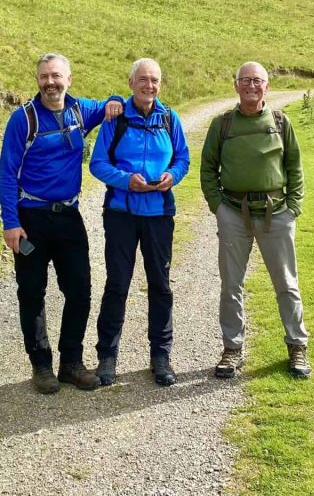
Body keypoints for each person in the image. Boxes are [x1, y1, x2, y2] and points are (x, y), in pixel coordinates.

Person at [0, 53, 121, 394]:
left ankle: (70, 363)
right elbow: (7, 173)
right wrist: (10, 222)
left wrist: (113, 103)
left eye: (56, 76)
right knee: (32, 294)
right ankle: (41, 366)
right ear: (38, 80)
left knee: (80, 290)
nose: (50, 83)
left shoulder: (81, 110)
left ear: (69, 78)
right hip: (30, 218)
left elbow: (114, 101)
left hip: (68, 216)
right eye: (44, 77)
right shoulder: (23, 119)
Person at [199, 61, 311, 379]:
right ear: (236, 85)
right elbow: (208, 169)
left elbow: (295, 167)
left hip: (277, 214)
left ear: (267, 86)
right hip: (233, 213)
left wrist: (293, 208)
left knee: (287, 285)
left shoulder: (280, 122)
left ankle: (297, 347)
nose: (251, 86)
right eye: (245, 80)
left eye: (257, 81)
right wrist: (218, 206)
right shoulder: (222, 125)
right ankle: (232, 349)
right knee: (231, 285)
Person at [89, 58, 189, 386]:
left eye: (155, 80)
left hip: (159, 214)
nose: (149, 85)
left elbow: (183, 159)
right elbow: (98, 164)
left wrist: (171, 176)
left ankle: (161, 356)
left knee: (160, 284)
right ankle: (107, 356)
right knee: (118, 283)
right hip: (121, 213)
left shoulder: (169, 118)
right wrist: (125, 180)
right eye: (143, 79)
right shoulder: (116, 119)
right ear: (131, 83)